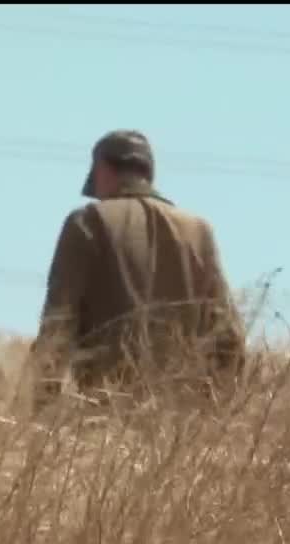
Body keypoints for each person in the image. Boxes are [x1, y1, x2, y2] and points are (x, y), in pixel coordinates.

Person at [31, 129, 246, 409]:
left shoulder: (88, 222)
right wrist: (219, 405)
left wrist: (43, 401)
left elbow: (59, 319)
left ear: (103, 169)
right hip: (182, 411)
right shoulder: (198, 230)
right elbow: (228, 334)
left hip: (109, 405)